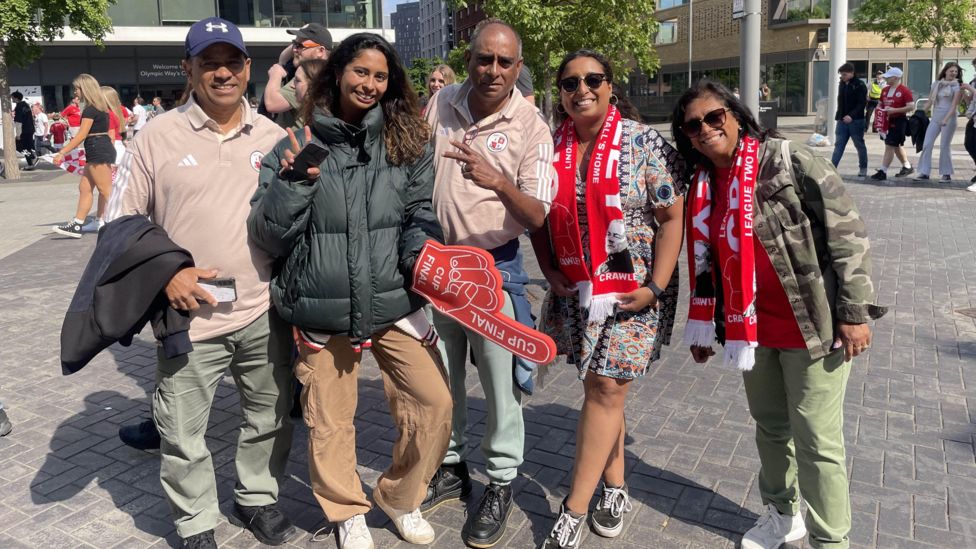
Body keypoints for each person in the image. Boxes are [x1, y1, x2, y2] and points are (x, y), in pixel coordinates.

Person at [247, 32, 451, 549]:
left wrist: (419, 252)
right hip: (323, 303)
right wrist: (293, 182)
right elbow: (266, 234)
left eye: (380, 76)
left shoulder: (407, 143)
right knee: (330, 419)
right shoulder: (295, 142)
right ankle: (345, 511)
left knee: (433, 403)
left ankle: (401, 496)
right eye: (361, 71)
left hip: (392, 299)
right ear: (337, 73)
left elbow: (419, 213)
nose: (370, 83)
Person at [670, 80, 886, 549]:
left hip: (813, 327)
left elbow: (847, 234)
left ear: (735, 115)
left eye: (714, 117)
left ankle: (831, 541)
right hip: (752, 333)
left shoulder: (786, 160)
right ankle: (782, 515)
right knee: (771, 429)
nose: (705, 129)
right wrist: (707, 326)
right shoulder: (704, 183)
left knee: (817, 444)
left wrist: (854, 311)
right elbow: (710, 261)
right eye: (693, 125)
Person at [105, 18, 295, 549]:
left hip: (262, 308)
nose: (221, 72)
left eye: (231, 61)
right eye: (207, 62)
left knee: (269, 415)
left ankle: (255, 497)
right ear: (188, 69)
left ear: (247, 68)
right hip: (188, 315)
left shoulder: (274, 136)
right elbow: (119, 223)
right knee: (182, 429)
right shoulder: (154, 136)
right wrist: (169, 272)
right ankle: (194, 522)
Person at [534, 50, 686, 549]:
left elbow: (671, 218)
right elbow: (541, 214)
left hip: (631, 289)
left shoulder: (643, 143)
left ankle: (573, 510)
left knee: (604, 387)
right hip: (576, 287)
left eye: (592, 79)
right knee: (601, 392)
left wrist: (657, 288)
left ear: (610, 85)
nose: (582, 89)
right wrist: (551, 267)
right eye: (569, 82)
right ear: (559, 91)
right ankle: (616, 486)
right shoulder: (551, 146)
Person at [422, 18, 555, 548]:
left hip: (494, 268)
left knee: (502, 385)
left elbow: (540, 214)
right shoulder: (443, 103)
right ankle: (451, 466)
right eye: (484, 58)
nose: (492, 70)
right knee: (441, 377)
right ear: (469, 57)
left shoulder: (530, 125)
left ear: (517, 68)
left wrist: (499, 182)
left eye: (504, 62)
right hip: (435, 265)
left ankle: (500, 480)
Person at [52, 75, 115, 238]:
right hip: (100, 147)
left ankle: (124, 223)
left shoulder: (90, 110)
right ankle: (79, 224)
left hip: (96, 149)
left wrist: (62, 152)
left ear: (85, 89)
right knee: (85, 188)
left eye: (77, 89)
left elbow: (81, 135)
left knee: (106, 190)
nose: (75, 92)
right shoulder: (100, 107)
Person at [263, 22, 332, 131]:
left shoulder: (312, 74)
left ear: (320, 51)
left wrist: (275, 74)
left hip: (299, 143)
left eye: (299, 46)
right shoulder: (324, 70)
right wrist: (282, 62)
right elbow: (284, 55)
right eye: (294, 44)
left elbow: (272, 103)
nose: (294, 50)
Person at [914, 62, 965, 182]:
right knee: (927, 144)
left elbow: (954, 106)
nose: (953, 73)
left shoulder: (957, 86)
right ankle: (924, 172)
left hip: (949, 118)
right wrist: (919, 114)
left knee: (944, 146)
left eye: (956, 72)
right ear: (945, 71)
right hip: (936, 117)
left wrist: (945, 120)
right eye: (951, 71)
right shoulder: (937, 84)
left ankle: (946, 174)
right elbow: (930, 101)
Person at [869, 67, 914, 181]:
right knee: (895, 145)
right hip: (886, 121)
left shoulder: (904, 90)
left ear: (895, 78)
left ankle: (883, 171)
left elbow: (911, 106)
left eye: (888, 77)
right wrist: (879, 112)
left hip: (899, 121)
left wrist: (894, 110)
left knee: (890, 145)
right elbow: (880, 103)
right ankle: (907, 166)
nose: (886, 78)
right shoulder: (885, 90)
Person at [831, 63, 868, 177]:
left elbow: (861, 103)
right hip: (842, 120)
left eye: (845, 74)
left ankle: (863, 168)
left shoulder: (859, 85)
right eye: (841, 75)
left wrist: (851, 116)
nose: (842, 77)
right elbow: (840, 102)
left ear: (852, 73)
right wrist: (840, 116)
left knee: (859, 144)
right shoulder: (842, 84)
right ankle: (832, 168)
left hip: (856, 121)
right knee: (839, 145)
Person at [11, 92, 36, 167]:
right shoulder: (26, 105)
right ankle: (30, 162)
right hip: (30, 129)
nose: (12, 99)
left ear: (16, 98)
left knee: (18, 146)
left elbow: (19, 122)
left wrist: (18, 135)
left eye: (12, 98)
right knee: (27, 146)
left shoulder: (19, 106)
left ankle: (32, 156)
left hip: (24, 130)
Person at [965, 58, 976, 191]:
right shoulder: (973, 81)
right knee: (969, 144)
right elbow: (972, 100)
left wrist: (971, 89)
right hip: (973, 118)